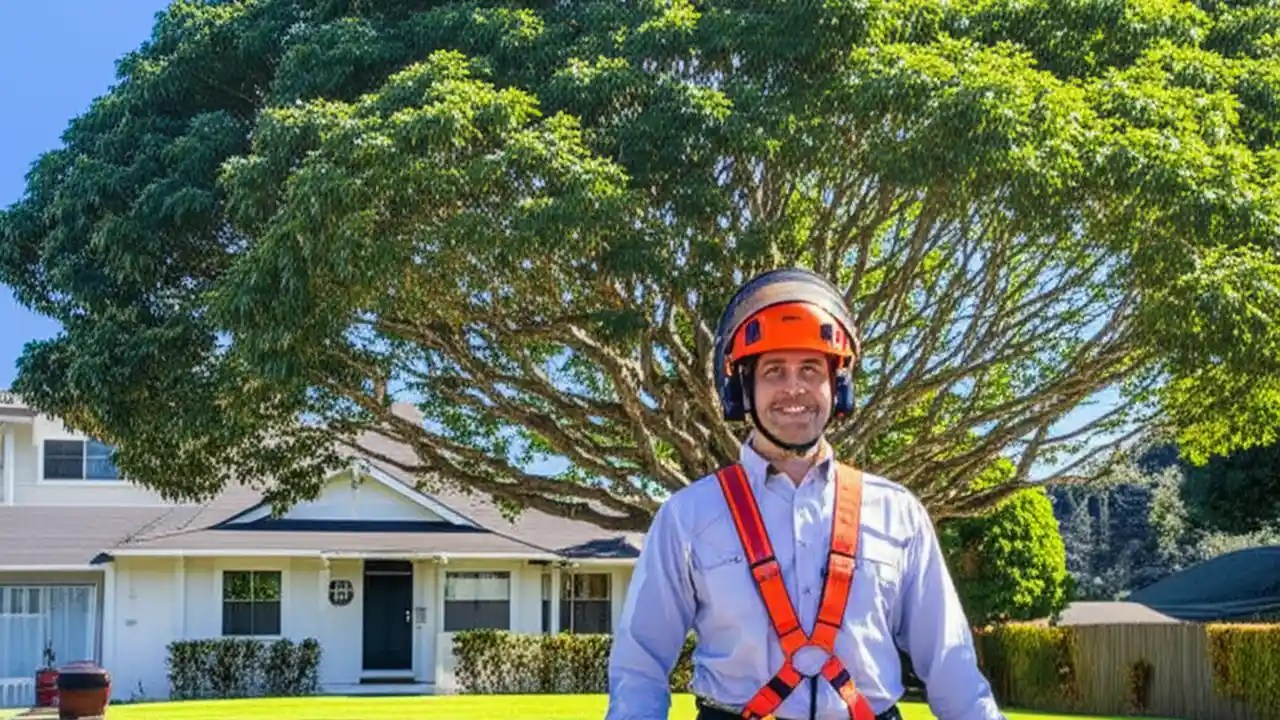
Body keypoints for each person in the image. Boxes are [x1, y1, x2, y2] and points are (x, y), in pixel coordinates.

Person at [605, 268, 1005, 720]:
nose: (794, 388)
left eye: (811, 369)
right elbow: (639, 667)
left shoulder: (898, 513)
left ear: (838, 386)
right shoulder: (688, 517)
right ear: (742, 389)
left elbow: (951, 664)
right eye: (774, 370)